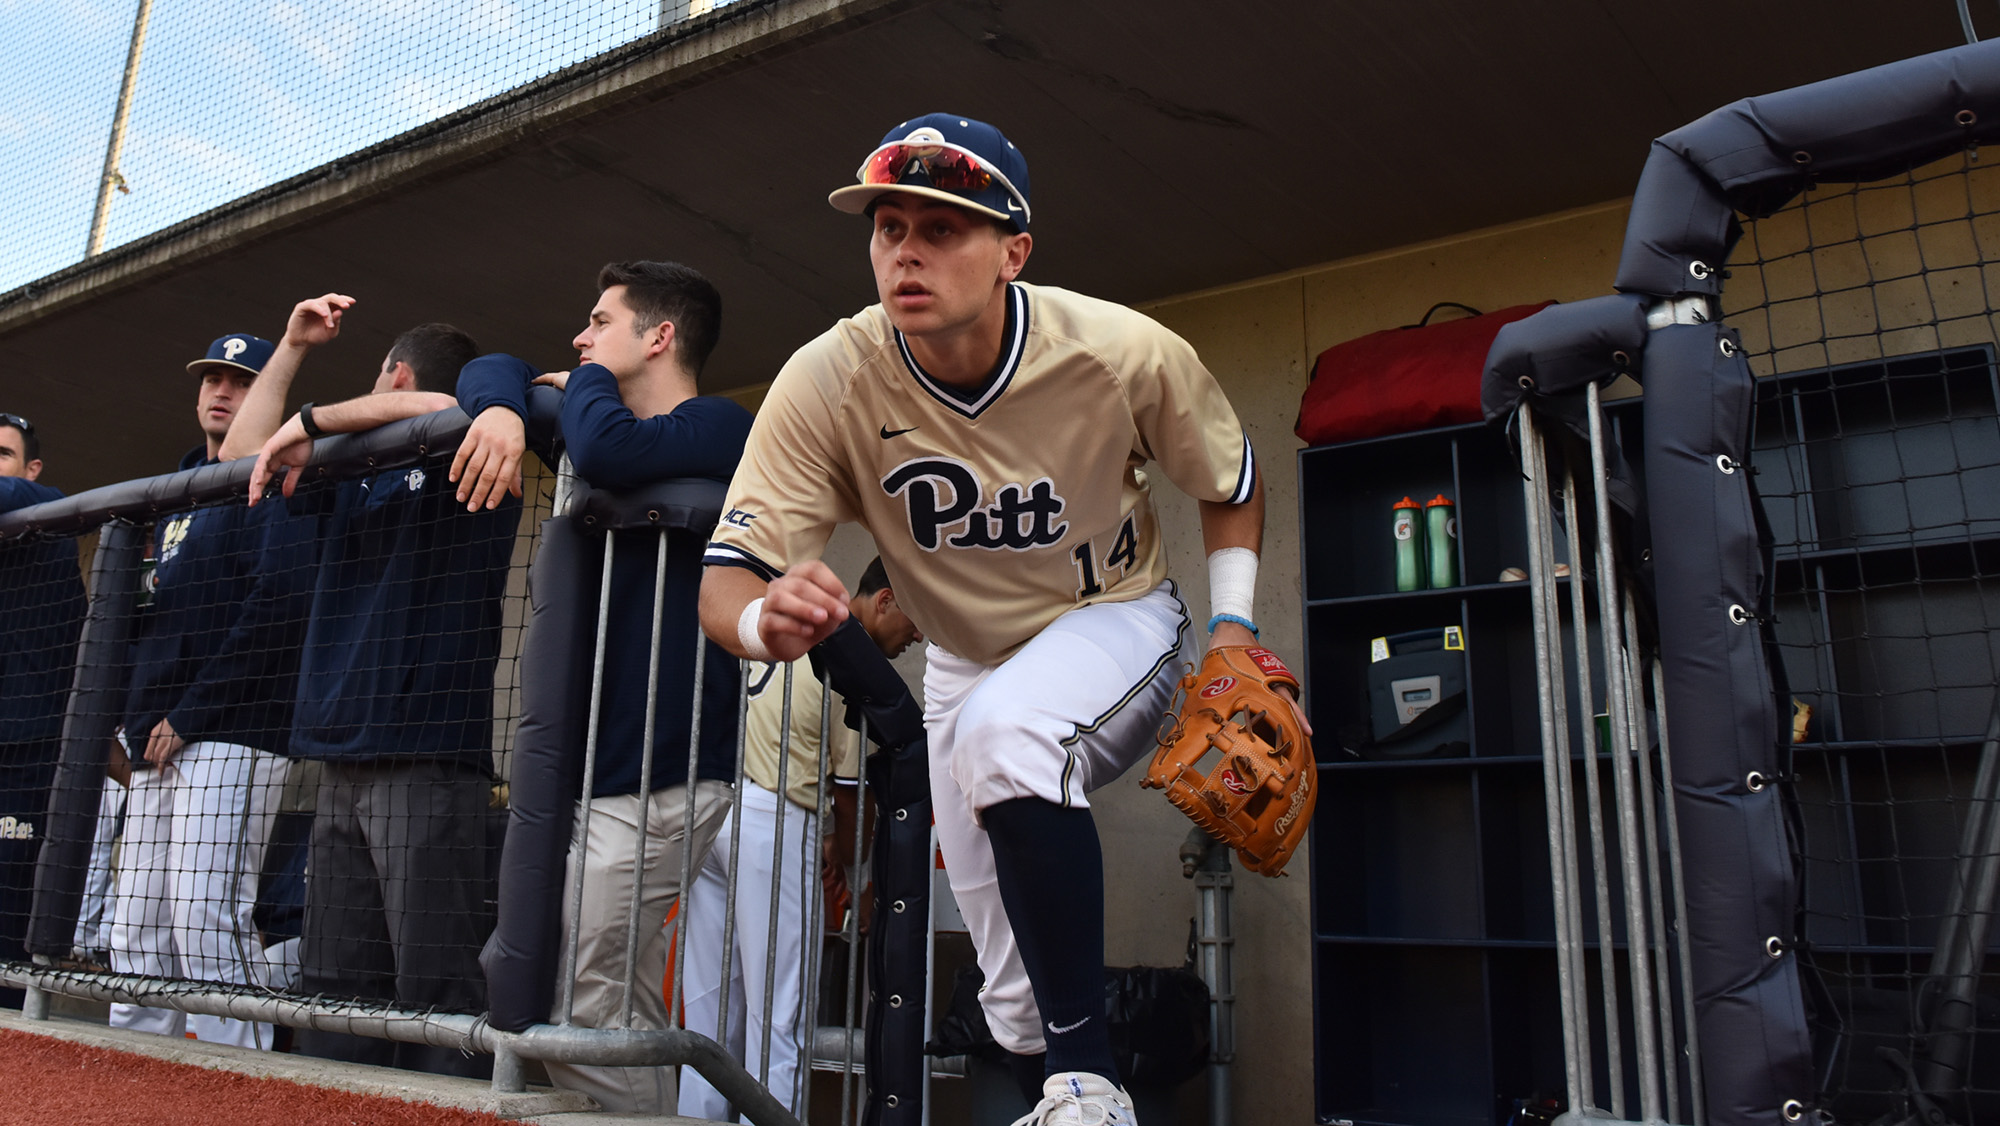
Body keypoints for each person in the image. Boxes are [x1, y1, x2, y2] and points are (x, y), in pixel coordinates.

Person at [699, 114, 1303, 1126]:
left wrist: (1234, 628)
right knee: (1006, 977)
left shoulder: (1116, 349)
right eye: (889, 225)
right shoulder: (830, 379)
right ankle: (1061, 1097)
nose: (906, 249)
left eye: (943, 227)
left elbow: (1228, 475)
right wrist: (770, 621)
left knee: (1008, 735)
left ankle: (1091, 1085)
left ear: (1013, 252)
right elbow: (726, 584)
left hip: (1113, 616)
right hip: (963, 659)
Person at [450, 259, 752, 1112]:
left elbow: (610, 453)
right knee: (602, 1000)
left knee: (587, 1004)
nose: (580, 340)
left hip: (662, 766)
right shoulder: (595, 408)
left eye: (599, 322)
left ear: (659, 337)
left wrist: (580, 384)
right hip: (589, 773)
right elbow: (484, 369)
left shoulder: (725, 424)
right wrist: (509, 408)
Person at [242, 303, 512, 1077]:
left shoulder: (482, 437)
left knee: (438, 993)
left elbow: (448, 409)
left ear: (393, 373)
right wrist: (292, 348)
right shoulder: (346, 470)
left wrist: (316, 416)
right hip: (338, 755)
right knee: (336, 986)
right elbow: (247, 453)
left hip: (425, 755)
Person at [109, 337, 314, 1049]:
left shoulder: (273, 474)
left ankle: (235, 1086)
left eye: (242, 380)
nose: (223, 391)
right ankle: (129, 1078)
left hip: (235, 728)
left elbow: (279, 603)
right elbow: (148, 622)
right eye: (213, 378)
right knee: (135, 921)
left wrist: (189, 713)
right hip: (158, 737)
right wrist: (134, 722)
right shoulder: (178, 489)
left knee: (205, 916)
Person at [678, 555, 922, 1122]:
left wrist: (834, 844)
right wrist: (857, 867)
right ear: (883, 600)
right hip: (774, 822)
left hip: (714, 810)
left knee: (711, 1016)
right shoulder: (846, 645)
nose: (919, 632)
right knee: (778, 1019)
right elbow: (847, 791)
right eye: (914, 616)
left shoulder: (792, 622)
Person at [0, 412, 86, 1007]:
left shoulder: (43, 514)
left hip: (23, 753)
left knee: (8, 919)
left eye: (1, 455)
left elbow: (48, 500)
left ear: (29, 468)